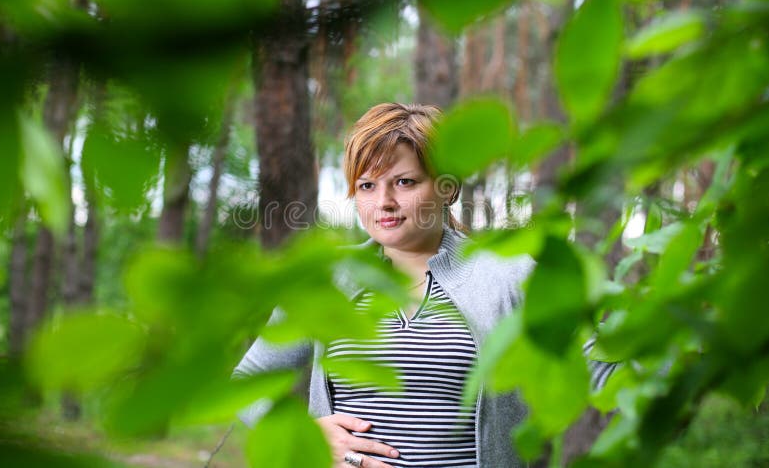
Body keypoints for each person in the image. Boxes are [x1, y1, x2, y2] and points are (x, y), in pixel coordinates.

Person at [234, 103, 609, 467]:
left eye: (404, 182)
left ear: (447, 187)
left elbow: (606, 371)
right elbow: (247, 385)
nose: (384, 202)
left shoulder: (510, 276)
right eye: (366, 186)